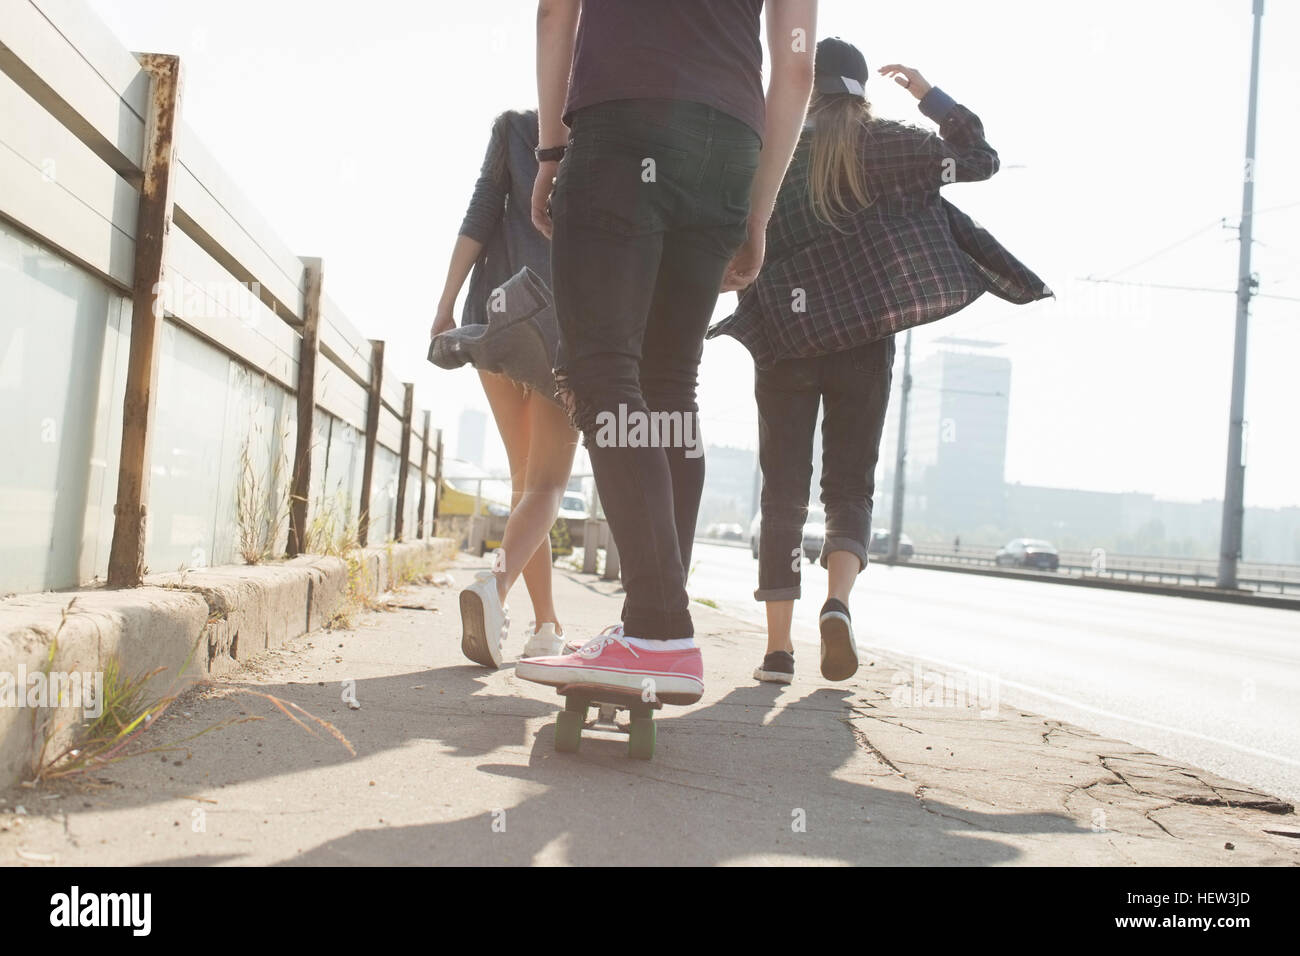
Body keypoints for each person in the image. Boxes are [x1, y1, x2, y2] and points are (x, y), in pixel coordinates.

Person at [708, 38, 1051, 684]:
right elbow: (979, 161)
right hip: (864, 340)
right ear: (860, 91)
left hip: (785, 340)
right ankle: (837, 604)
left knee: (782, 489)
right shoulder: (887, 144)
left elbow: (725, 227)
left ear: (804, 88)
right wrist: (929, 96)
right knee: (849, 485)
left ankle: (777, 652)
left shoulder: (768, 149)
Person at [513, 0, 818, 702]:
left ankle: (657, 630)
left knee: (602, 373)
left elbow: (555, 11)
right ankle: (651, 629)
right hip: (727, 147)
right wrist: (759, 209)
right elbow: (797, 67)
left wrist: (552, 148)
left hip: (623, 126)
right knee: (670, 384)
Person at [431, 109, 579, 668]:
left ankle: (546, 626)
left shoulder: (515, 128)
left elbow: (478, 216)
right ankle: (496, 586)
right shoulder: (611, 131)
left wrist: (445, 305)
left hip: (494, 315)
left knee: (525, 480)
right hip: (562, 321)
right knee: (545, 486)